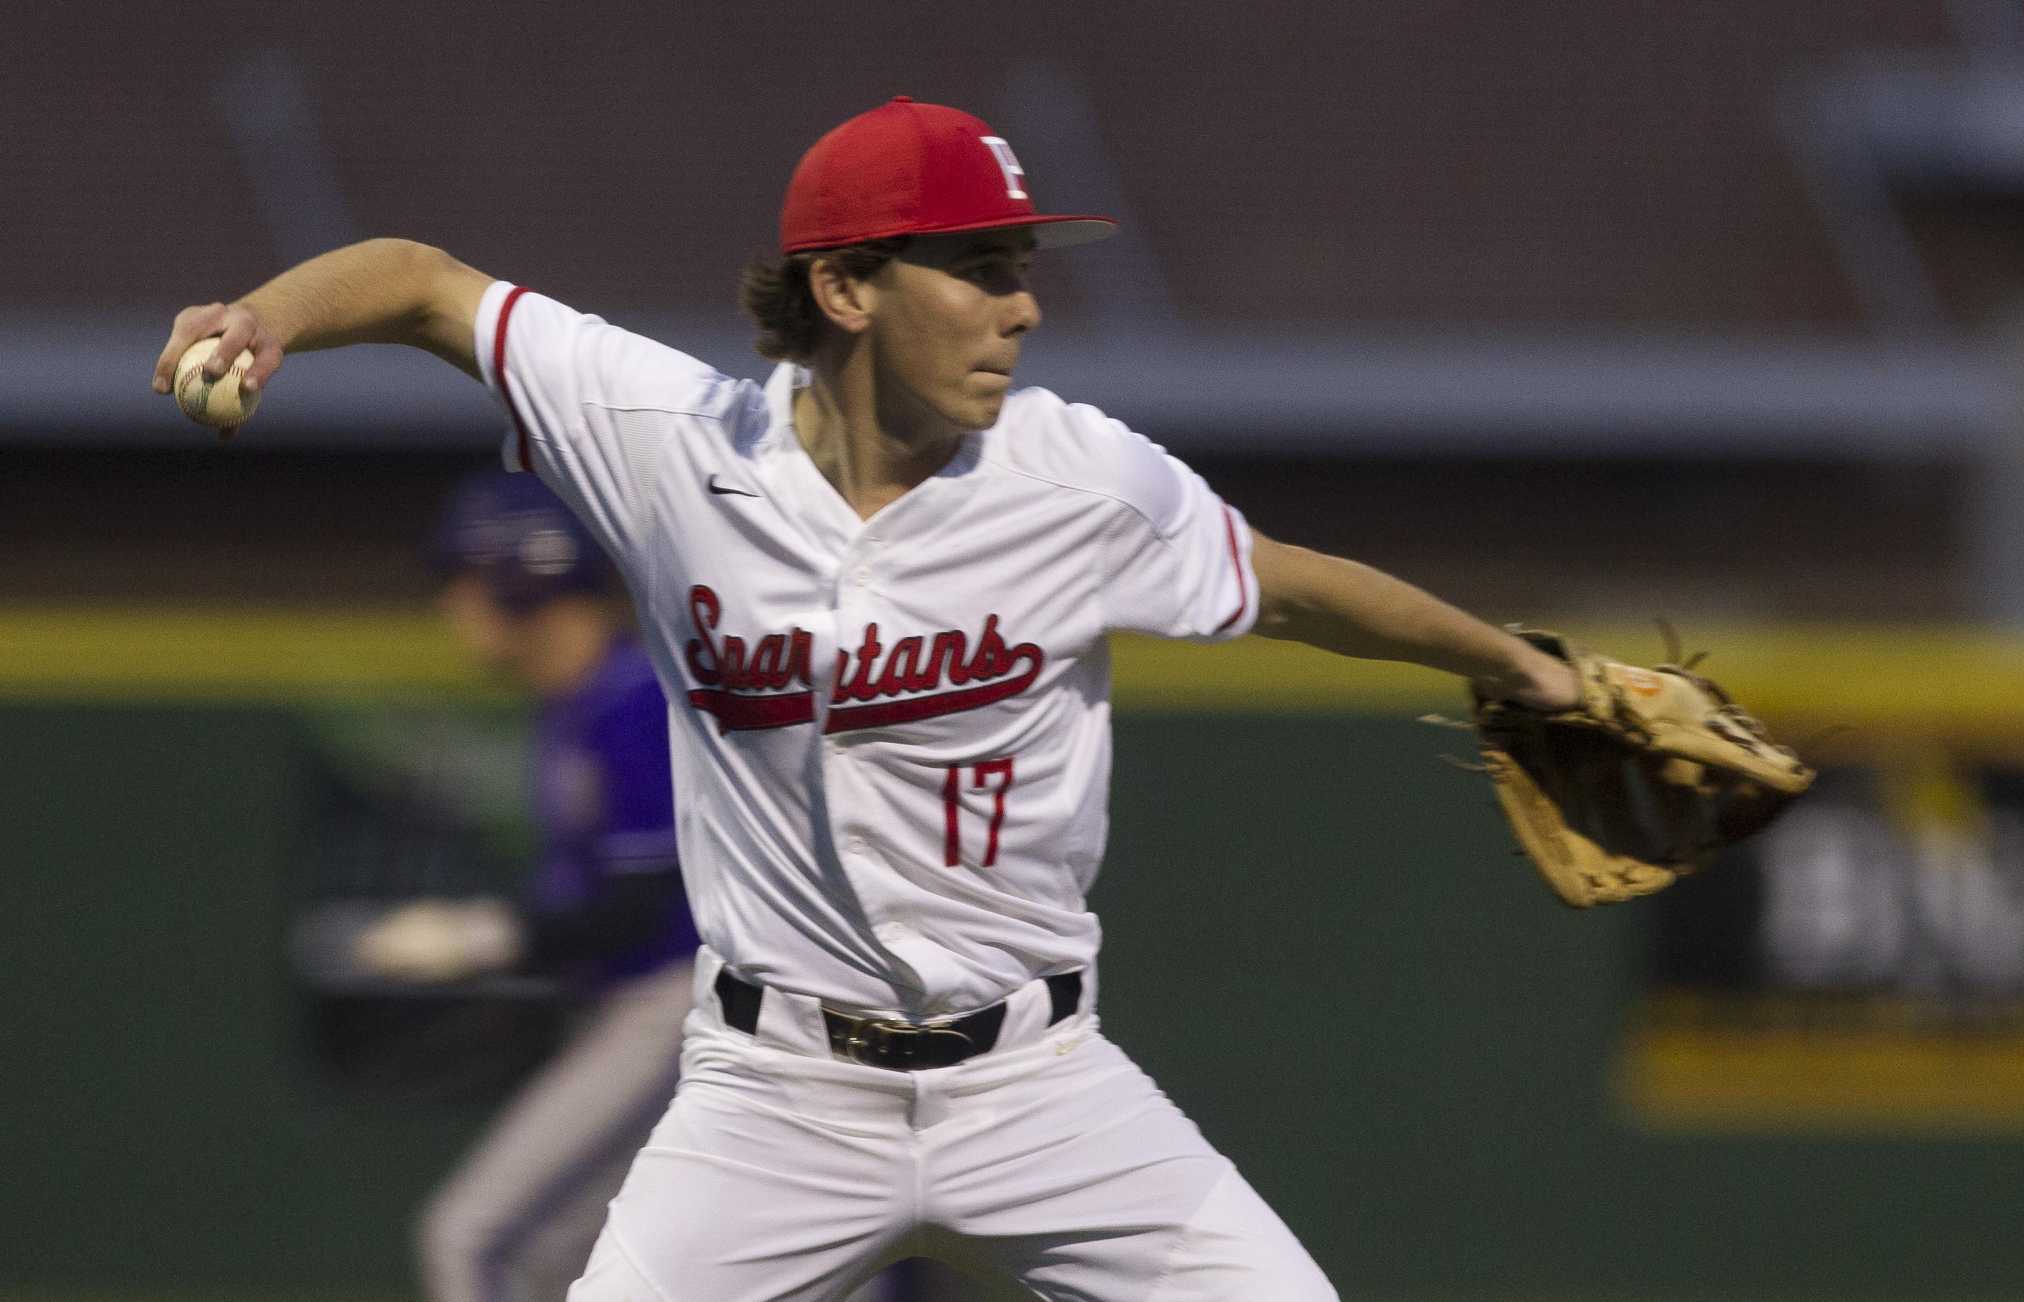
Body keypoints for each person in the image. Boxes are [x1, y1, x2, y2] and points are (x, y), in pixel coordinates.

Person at [155, 95, 1580, 1300]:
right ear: (845, 289)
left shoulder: (1081, 477)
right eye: (974, 263)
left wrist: (1516, 666)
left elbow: (1294, 584)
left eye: (1019, 261)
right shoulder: (667, 439)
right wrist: (266, 315)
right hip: (772, 1099)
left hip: (1042, 1082)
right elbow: (419, 280)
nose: (1021, 302)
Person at [352, 469, 701, 1302]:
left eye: (463, 585)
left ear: (518, 578)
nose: (452, 610)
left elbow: (645, 903)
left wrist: (482, 938)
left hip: (680, 1005)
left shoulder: (636, 699)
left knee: (479, 1240)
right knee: (566, 1265)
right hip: (633, 1010)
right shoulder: (576, 702)